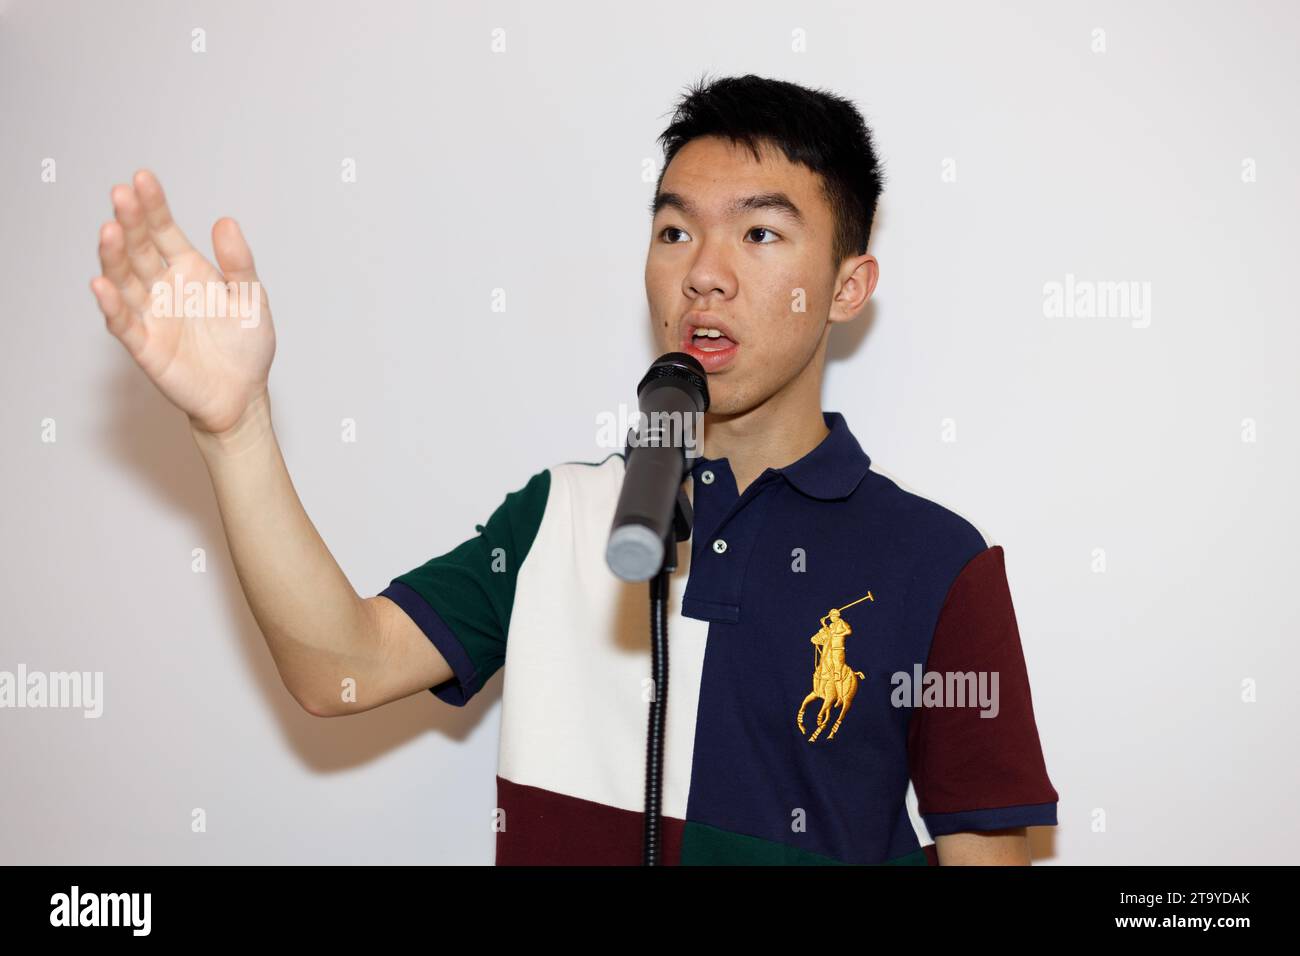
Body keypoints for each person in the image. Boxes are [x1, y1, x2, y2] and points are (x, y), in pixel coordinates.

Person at [90, 73, 1058, 866]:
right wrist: (235, 424)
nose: (703, 273)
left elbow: (993, 861)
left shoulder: (939, 563)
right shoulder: (561, 512)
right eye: (674, 230)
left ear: (847, 285)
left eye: (759, 233)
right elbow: (336, 669)